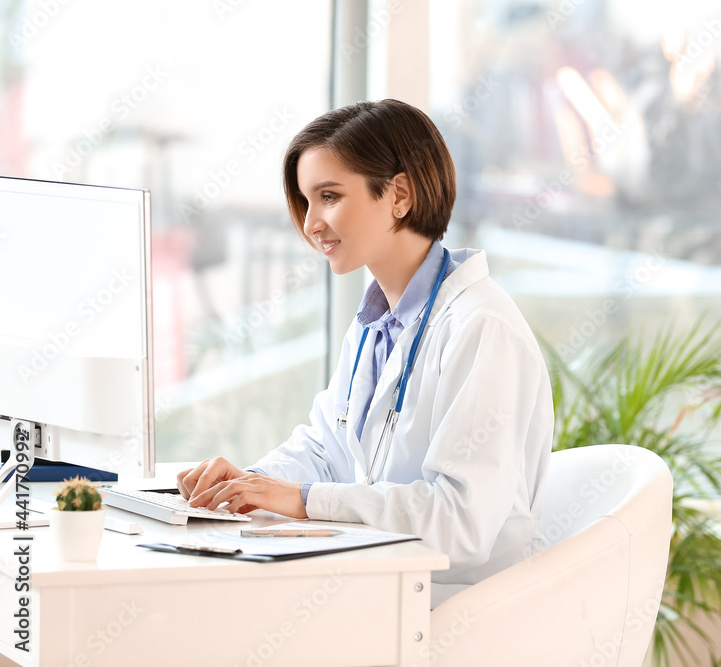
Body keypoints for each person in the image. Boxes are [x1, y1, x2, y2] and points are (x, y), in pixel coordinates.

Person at [177, 99, 554, 607]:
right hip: (384, 588)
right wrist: (251, 484)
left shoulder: (480, 326)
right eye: (306, 202)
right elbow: (325, 447)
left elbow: (461, 522)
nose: (311, 224)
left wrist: (304, 501)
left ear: (398, 194)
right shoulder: (377, 321)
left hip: (461, 609)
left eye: (329, 196)